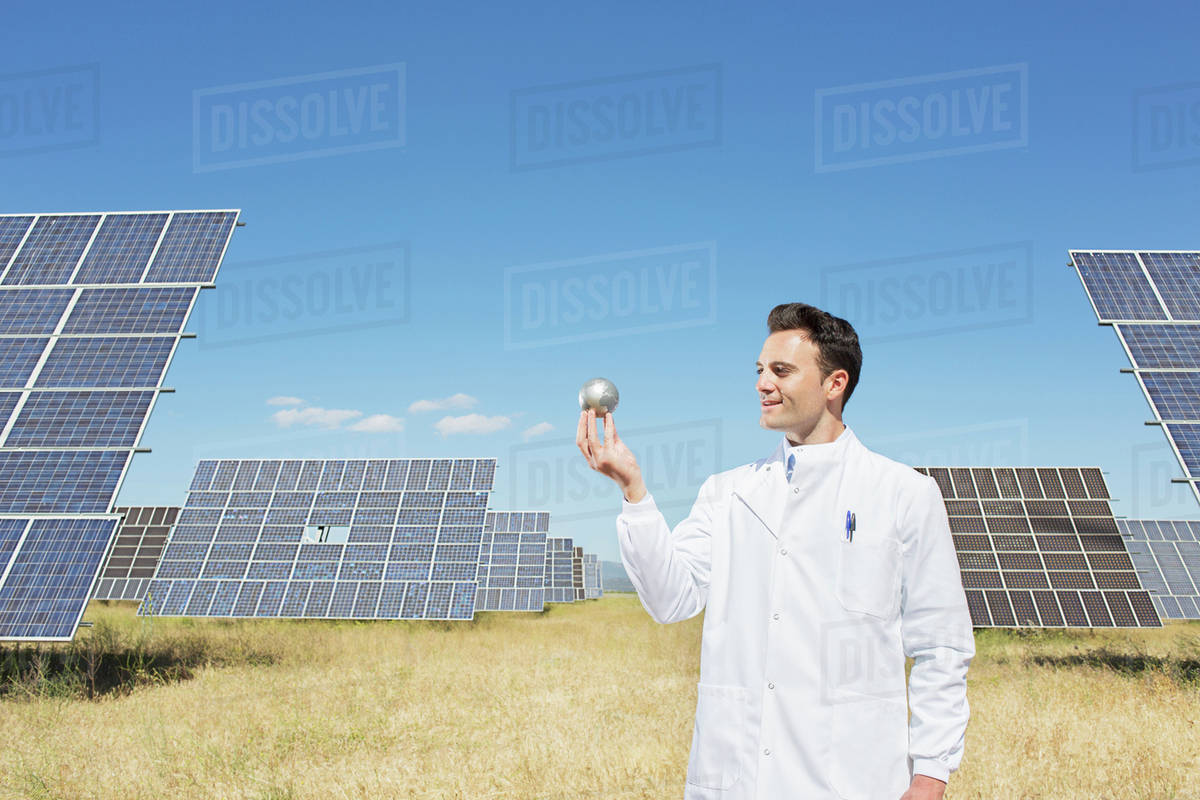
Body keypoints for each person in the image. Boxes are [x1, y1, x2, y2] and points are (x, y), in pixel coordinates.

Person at [576, 302, 975, 800]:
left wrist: (931, 775)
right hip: (737, 777)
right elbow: (670, 600)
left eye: (781, 371)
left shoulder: (904, 493)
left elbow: (942, 646)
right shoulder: (728, 492)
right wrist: (634, 492)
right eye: (760, 370)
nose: (763, 383)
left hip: (854, 778)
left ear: (835, 384)